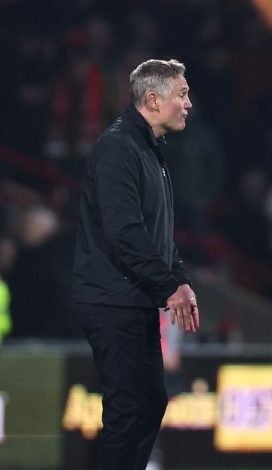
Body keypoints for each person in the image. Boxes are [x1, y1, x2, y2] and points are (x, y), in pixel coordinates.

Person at [72, 58, 199, 470]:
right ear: (153, 99)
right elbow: (125, 233)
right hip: (111, 299)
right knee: (129, 407)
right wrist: (168, 287)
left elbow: (159, 232)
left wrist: (180, 278)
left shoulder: (149, 150)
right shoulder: (118, 149)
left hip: (133, 299)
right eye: (182, 94)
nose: (188, 104)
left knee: (148, 402)